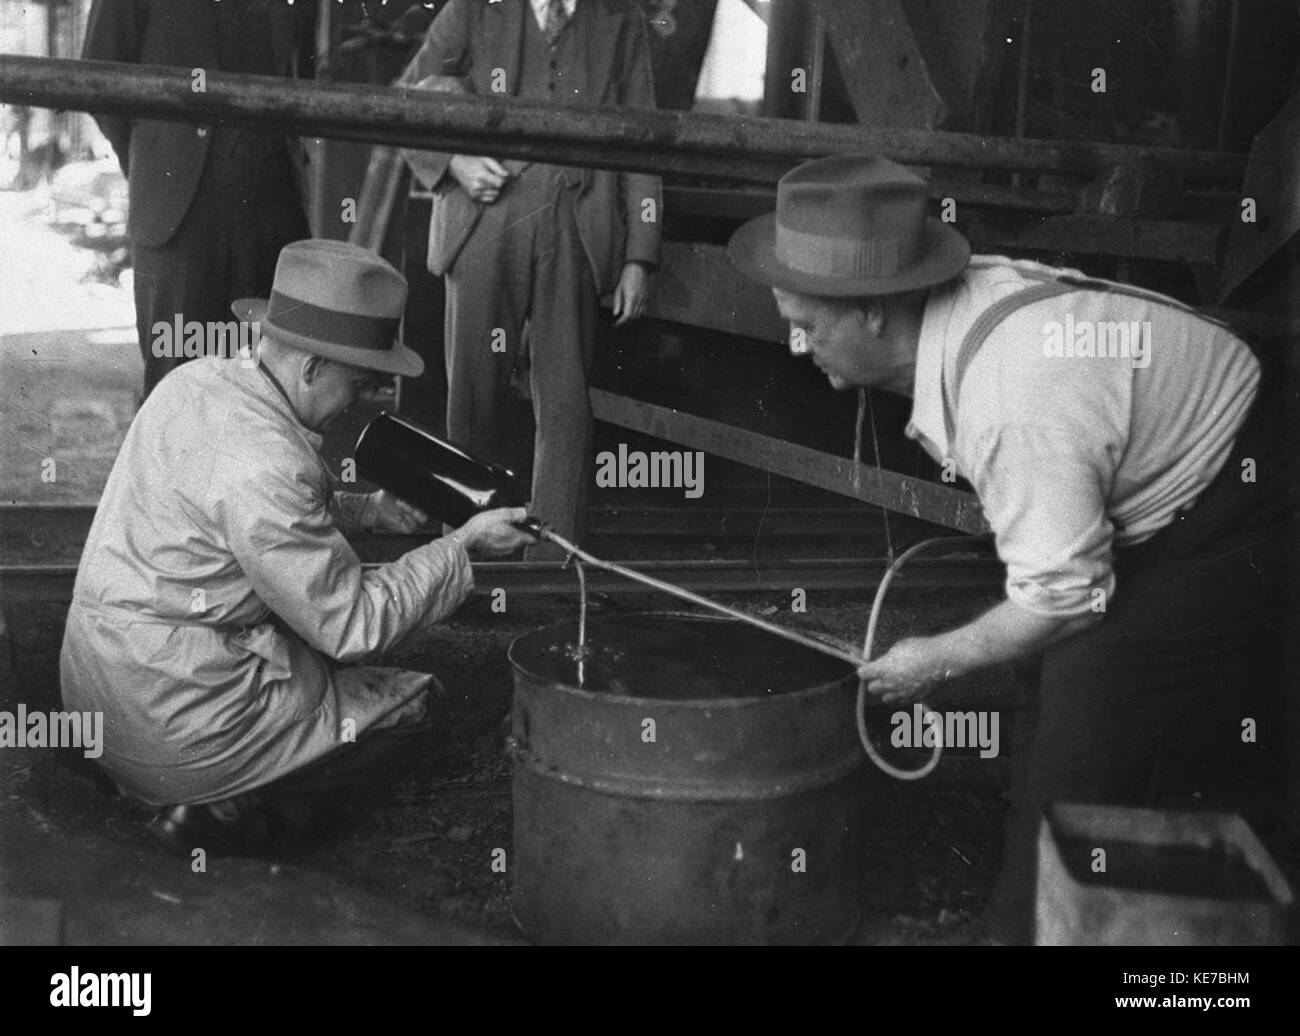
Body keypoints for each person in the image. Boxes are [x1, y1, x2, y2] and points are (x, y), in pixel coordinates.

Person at [728, 155, 1296, 944]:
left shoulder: (1012, 392)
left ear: (874, 313)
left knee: (1089, 708)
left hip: (1257, 490)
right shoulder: (965, 325)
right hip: (1196, 463)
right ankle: (1043, 909)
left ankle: (1033, 933)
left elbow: (1065, 595)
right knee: (1055, 680)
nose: (794, 345)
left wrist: (936, 658)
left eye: (808, 323)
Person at [60, 240, 536, 855]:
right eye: (360, 383)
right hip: (172, 715)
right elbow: (353, 625)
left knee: (309, 656)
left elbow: (239, 514)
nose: (361, 400)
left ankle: (209, 788)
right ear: (312, 369)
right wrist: (463, 548)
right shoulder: (268, 462)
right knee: (412, 708)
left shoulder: (194, 382)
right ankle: (228, 813)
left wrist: (373, 512)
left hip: (97, 690)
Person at [396, 0, 663, 550]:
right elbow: (403, 96)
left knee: (566, 402)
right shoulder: (472, 9)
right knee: (475, 396)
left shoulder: (620, 19)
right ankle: (465, 552)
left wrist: (641, 253)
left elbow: (644, 140)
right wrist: (453, 163)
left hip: (577, 226)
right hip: (483, 222)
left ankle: (555, 562)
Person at [82, 0, 315, 398]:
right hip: (180, 212)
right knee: (177, 386)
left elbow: (303, 66)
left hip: (272, 207)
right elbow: (98, 75)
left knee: (267, 388)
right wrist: (156, 156)